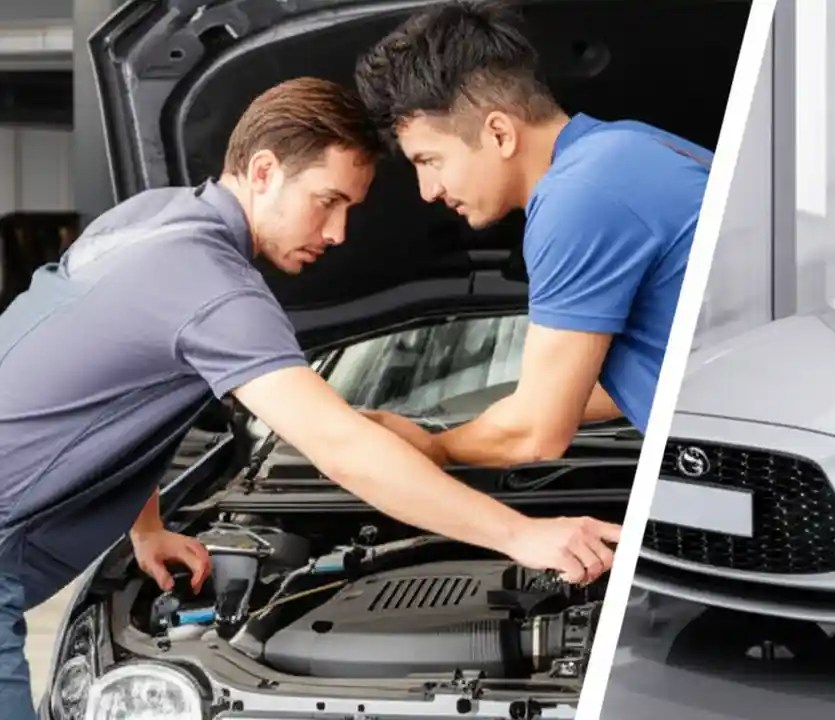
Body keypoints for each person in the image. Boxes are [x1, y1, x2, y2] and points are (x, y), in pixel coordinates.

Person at [0, 77, 620, 719]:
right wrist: (523, 536)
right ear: (263, 170)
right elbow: (341, 446)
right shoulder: (212, 285)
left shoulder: (148, 219)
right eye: (327, 201)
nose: (339, 231)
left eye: (348, 207)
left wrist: (147, 528)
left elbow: (127, 393)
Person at [353, 0, 711, 468]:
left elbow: (536, 436)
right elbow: (627, 373)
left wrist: (434, 449)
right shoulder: (626, 145)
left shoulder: (577, 197)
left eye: (428, 160)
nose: (427, 191)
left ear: (499, 133)